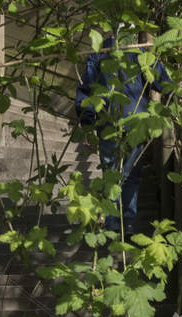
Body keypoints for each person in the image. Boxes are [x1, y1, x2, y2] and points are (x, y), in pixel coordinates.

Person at [73, 29, 171, 236]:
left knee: (111, 174)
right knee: (131, 176)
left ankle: (112, 222)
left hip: (107, 124)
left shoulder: (99, 55)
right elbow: (164, 85)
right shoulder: (141, 56)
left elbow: (85, 90)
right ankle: (127, 222)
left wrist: (87, 122)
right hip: (136, 123)